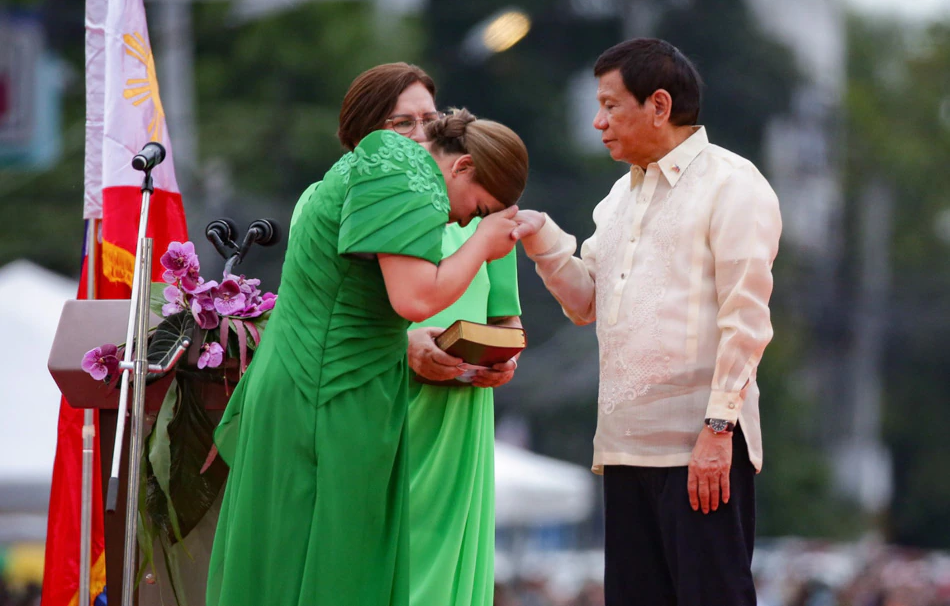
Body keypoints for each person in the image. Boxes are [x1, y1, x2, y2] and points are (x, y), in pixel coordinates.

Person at [206, 93, 529, 606]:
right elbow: (417, 298)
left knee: (329, 563)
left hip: (342, 387)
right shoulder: (399, 169)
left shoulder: (389, 168)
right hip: (326, 390)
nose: (466, 222)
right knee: (325, 564)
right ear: (463, 164)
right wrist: (483, 242)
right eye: (478, 209)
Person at [511, 38, 782, 605]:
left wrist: (718, 430)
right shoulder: (617, 199)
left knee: (713, 596)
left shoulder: (733, 184)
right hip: (624, 445)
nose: (597, 122)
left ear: (659, 105)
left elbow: (746, 318)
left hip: (700, 445)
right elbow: (587, 302)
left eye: (611, 106)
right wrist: (541, 238)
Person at [291, 63, 523, 606]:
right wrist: (406, 345)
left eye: (429, 118)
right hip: (380, 402)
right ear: (364, 135)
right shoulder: (342, 199)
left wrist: (502, 356)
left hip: (461, 414)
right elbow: (323, 314)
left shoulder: (478, 207)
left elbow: (506, 317)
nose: (421, 133)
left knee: (453, 576)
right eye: (402, 123)